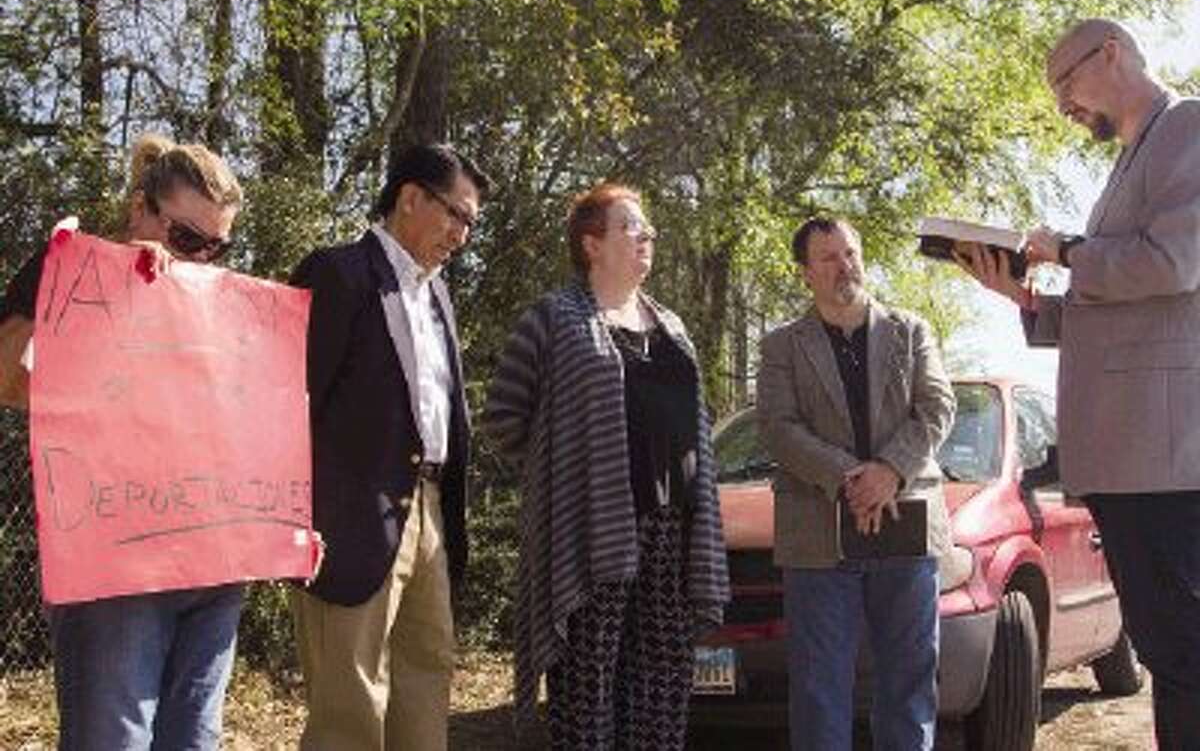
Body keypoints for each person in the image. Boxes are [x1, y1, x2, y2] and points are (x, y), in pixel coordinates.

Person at [957, 17, 1200, 749]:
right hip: (1129, 460)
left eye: (1065, 82)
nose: (1063, 105)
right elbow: (1126, 307)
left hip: (1163, 455)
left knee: (1183, 651)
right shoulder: (1131, 158)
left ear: (1113, 53)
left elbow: (1173, 265)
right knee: (1169, 652)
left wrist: (1067, 249)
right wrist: (1027, 301)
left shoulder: (1186, 127)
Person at [0, 133, 244, 749]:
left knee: (192, 742)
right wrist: (70, 273)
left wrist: (280, 526)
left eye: (217, 246)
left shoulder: (226, 308)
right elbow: (7, 377)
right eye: (187, 239)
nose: (200, 259)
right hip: (116, 566)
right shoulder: (75, 271)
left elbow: (252, 430)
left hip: (214, 567)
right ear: (141, 209)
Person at [483, 183, 729, 749]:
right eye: (630, 226)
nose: (647, 236)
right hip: (591, 531)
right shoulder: (554, 319)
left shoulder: (672, 325)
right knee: (588, 681)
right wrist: (569, 473)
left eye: (647, 228)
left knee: (662, 680)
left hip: (672, 529)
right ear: (592, 244)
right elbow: (503, 418)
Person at [288, 142, 489, 751]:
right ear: (408, 198)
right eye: (454, 213)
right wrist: (298, 519)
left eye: (470, 223)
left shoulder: (438, 296)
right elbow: (294, 405)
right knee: (349, 709)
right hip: (349, 520)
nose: (461, 234)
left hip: (429, 513)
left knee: (425, 688)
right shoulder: (337, 273)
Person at [757, 218, 955, 751]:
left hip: (907, 527)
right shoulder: (781, 346)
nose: (845, 266)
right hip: (818, 539)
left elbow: (937, 407)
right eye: (828, 258)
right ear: (805, 274)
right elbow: (777, 428)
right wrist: (852, 479)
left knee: (910, 683)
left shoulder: (910, 330)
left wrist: (889, 472)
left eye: (850, 253)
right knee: (820, 691)